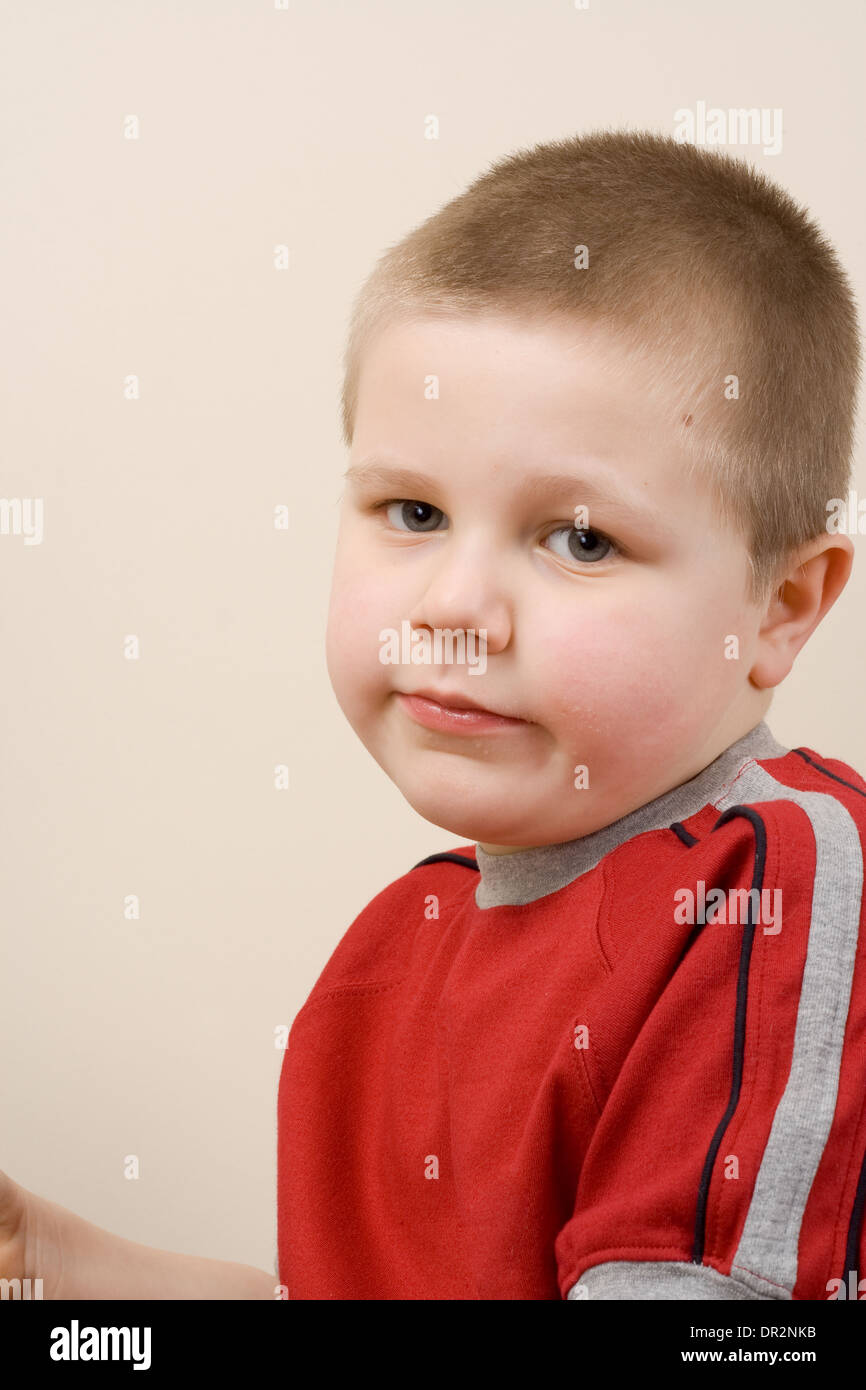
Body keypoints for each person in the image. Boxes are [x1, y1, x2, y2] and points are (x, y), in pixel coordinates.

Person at [3, 129, 864, 1300]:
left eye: (579, 538)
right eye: (410, 512)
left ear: (779, 604)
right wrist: (49, 1269)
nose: (455, 607)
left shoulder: (771, 884)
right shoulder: (389, 946)